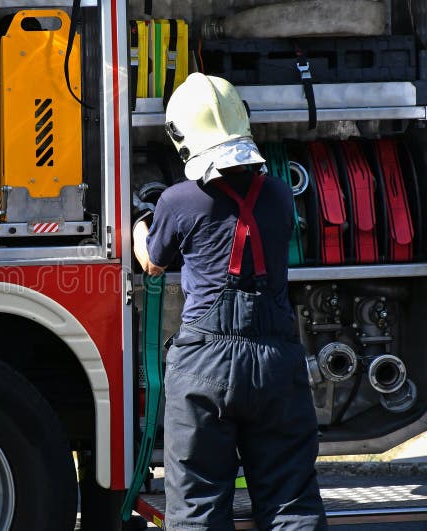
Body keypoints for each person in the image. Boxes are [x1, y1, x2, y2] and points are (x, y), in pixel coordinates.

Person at [132, 73, 327, 530]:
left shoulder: (179, 200)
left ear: (182, 137)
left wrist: (141, 224)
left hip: (205, 367)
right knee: (291, 503)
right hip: (276, 362)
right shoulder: (279, 193)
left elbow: (153, 263)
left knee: (198, 508)